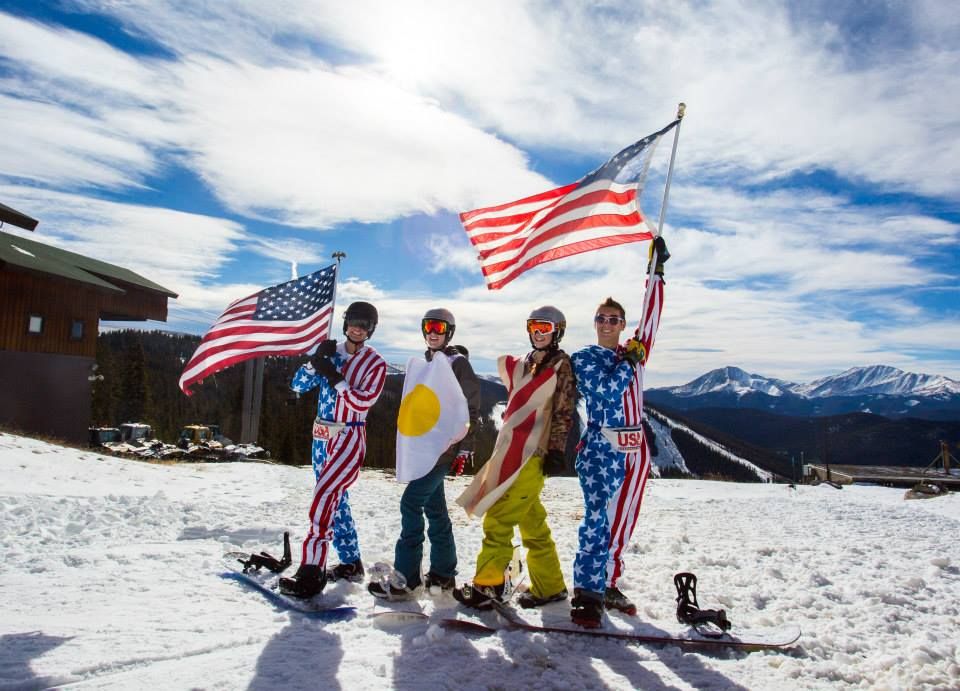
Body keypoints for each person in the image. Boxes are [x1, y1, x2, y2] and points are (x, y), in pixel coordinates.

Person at [569, 236, 668, 628]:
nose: (608, 324)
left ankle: (608, 580)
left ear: (622, 325)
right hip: (601, 443)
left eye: (615, 319)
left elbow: (652, 316)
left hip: (634, 444)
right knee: (598, 517)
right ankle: (587, 589)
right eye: (601, 318)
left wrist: (656, 274)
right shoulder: (586, 358)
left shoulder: (635, 350)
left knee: (625, 517)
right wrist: (629, 362)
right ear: (595, 323)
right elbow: (606, 392)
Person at [453, 306, 575, 610]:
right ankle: (551, 587)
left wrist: (557, 450)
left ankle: (488, 587)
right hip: (512, 450)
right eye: (534, 326)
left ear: (557, 331)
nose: (538, 332)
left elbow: (563, 411)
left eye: (545, 327)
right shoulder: (528, 363)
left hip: (532, 455)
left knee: (499, 518)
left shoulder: (561, 366)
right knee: (533, 525)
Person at [368, 308, 482, 600]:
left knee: (410, 504)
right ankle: (444, 574)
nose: (433, 332)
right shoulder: (428, 364)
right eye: (428, 326)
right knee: (435, 510)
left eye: (439, 327)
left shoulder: (457, 364)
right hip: (427, 449)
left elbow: (470, 407)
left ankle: (407, 579)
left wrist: (465, 445)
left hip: (443, 450)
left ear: (449, 332)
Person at [279, 301, 387, 598]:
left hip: (349, 436)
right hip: (321, 436)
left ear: (371, 330)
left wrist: (335, 377)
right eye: (354, 321)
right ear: (345, 322)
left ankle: (312, 570)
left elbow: (362, 402)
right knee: (336, 502)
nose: (358, 328)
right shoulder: (330, 351)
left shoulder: (375, 363)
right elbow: (298, 385)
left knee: (324, 497)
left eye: (364, 324)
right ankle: (351, 562)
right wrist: (316, 362)